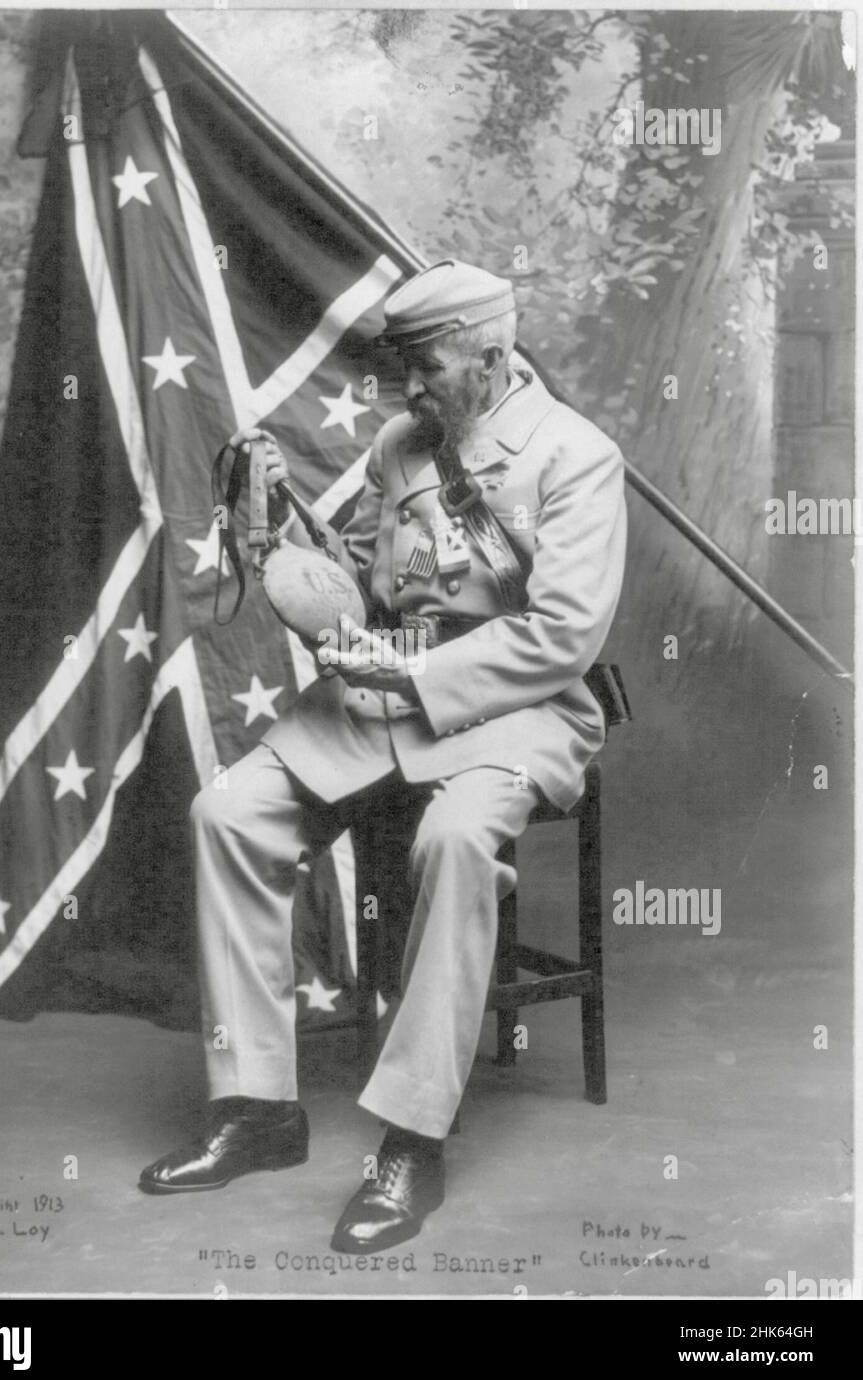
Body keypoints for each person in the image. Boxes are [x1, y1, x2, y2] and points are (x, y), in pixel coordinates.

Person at [140, 259, 627, 1253]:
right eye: (403, 368)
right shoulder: (404, 447)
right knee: (226, 813)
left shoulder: (575, 457)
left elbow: (561, 636)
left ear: (491, 357)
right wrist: (274, 531)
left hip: (521, 708)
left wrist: (413, 680)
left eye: (427, 366)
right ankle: (257, 1109)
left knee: (451, 841)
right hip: (391, 693)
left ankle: (411, 1138)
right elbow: (363, 602)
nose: (407, 391)